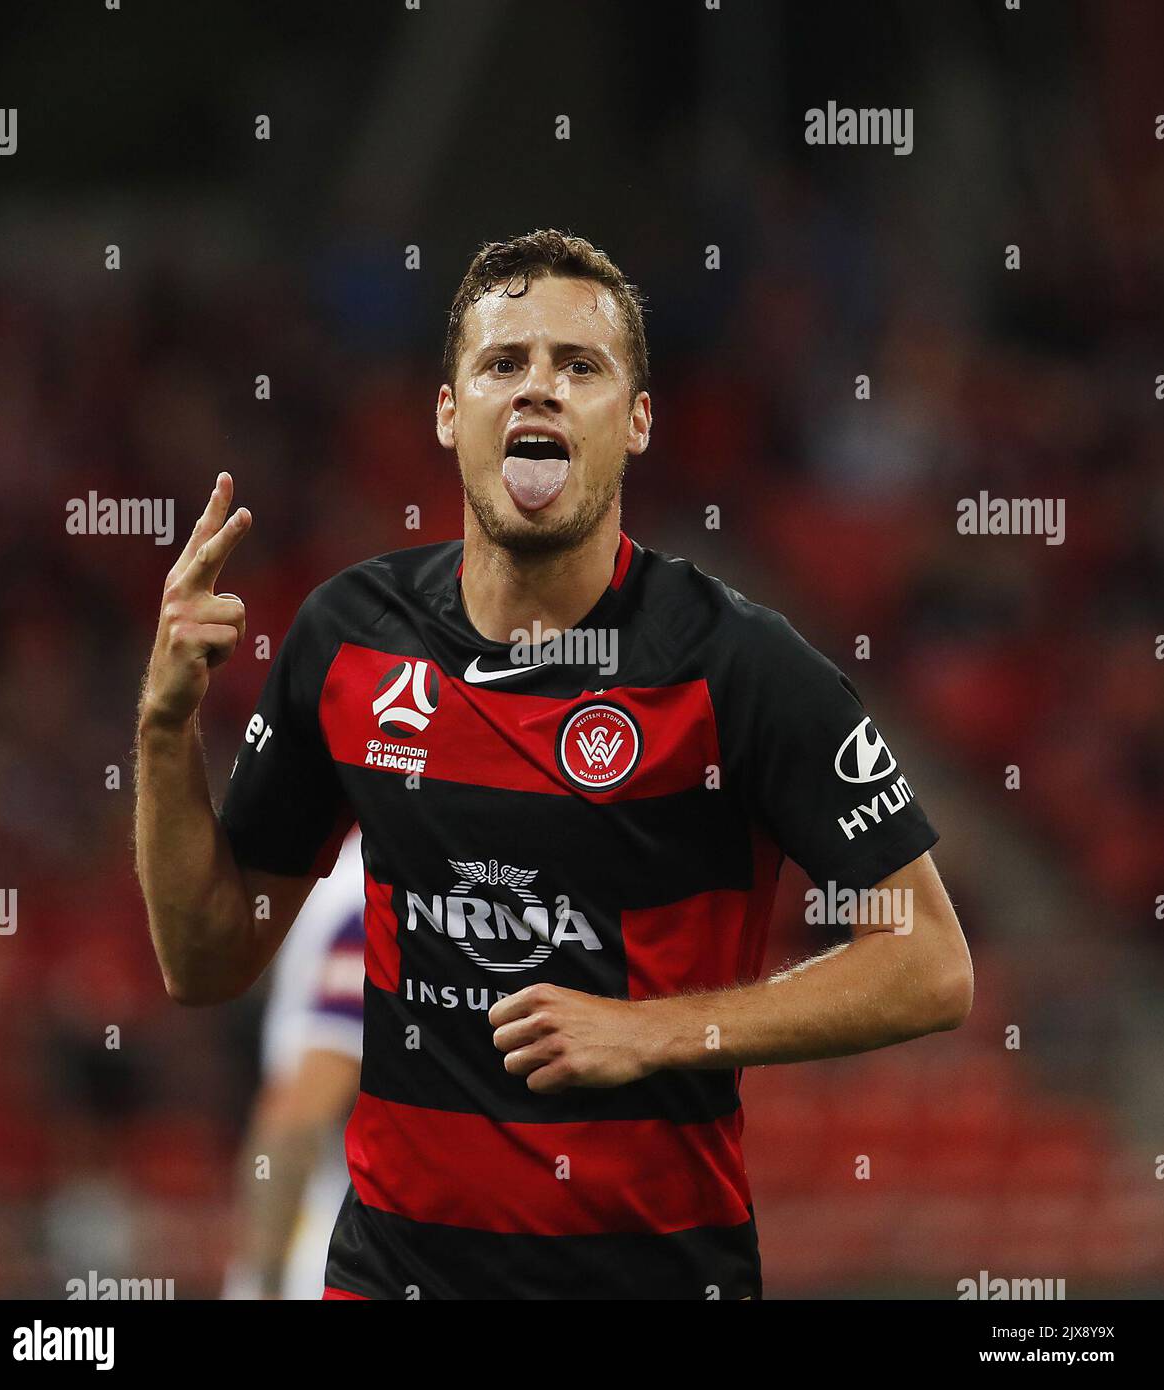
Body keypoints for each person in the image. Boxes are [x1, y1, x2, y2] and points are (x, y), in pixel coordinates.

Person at [134, 228, 973, 1300]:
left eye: (578, 367)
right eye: (502, 364)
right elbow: (204, 961)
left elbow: (929, 964)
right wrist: (164, 730)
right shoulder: (347, 640)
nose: (538, 390)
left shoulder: (742, 669)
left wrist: (657, 1029)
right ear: (449, 413)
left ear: (635, 422)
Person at [222, 828, 364, 1301]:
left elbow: (299, 1112)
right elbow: (303, 1111)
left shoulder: (365, 883)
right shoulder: (371, 885)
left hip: (337, 1249)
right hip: (335, 1252)